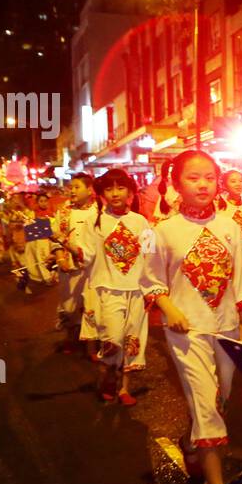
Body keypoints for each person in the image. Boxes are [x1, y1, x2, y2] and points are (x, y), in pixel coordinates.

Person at [142, 150, 242, 484]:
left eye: (210, 177)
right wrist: (168, 306)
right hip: (187, 332)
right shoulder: (159, 232)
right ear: (176, 184)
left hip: (226, 328)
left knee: (222, 398)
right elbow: (148, 278)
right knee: (206, 402)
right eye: (194, 178)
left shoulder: (230, 227)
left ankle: (194, 446)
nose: (203, 184)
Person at [81, 169, 151, 405]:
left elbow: (151, 254)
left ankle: (123, 388)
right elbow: (87, 255)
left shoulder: (140, 221)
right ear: (101, 194)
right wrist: (70, 250)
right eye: (109, 189)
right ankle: (106, 376)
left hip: (137, 291)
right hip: (109, 289)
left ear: (130, 192)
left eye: (120, 188)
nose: (115, 193)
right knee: (113, 338)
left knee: (133, 339)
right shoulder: (96, 221)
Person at [53, 173, 99, 354]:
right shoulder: (63, 211)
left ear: (89, 190)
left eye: (77, 187)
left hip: (92, 269)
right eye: (71, 187)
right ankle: (70, 339)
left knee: (91, 306)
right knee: (69, 306)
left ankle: (92, 346)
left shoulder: (99, 211)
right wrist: (60, 257)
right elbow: (55, 237)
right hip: (69, 267)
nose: (72, 190)